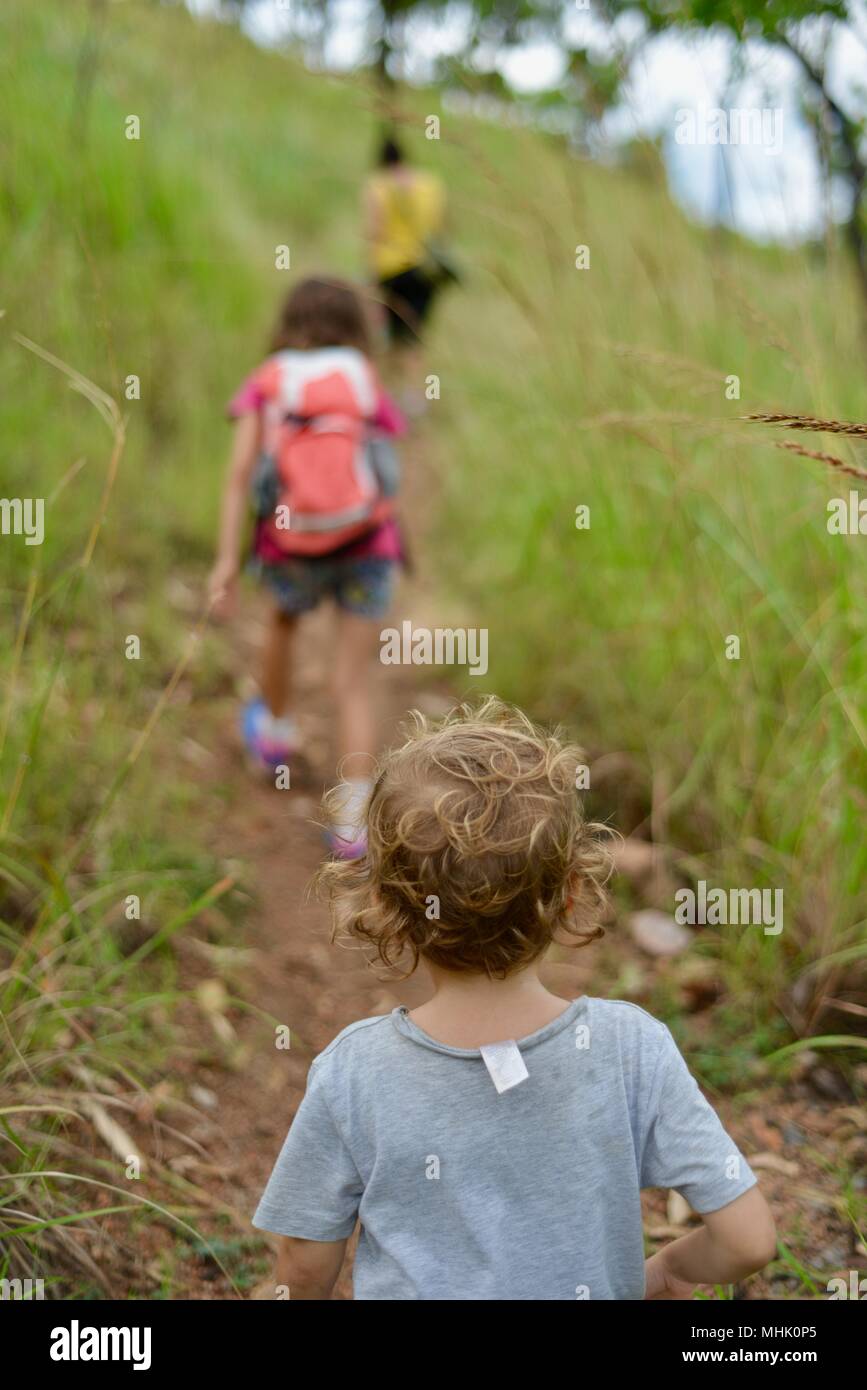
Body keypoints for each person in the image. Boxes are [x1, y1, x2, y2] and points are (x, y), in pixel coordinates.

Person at [252, 697, 777, 1300]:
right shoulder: (631, 1049)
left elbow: (303, 1269)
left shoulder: (355, 1073)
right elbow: (749, 1240)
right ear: (573, 896)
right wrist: (663, 1273)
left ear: (386, 909)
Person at [208, 276, 405, 859]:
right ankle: (352, 825)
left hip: (292, 545)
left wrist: (226, 560)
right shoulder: (363, 378)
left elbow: (239, 475)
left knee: (283, 625)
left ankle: (274, 736)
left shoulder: (269, 380)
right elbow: (388, 450)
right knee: (352, 681)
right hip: (366, 544)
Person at [364, 133, 447, 403]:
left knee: (387, 335)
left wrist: (371, 275)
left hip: (390, 269)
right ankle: (414, 397)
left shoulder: (377, 186)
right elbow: (439, 228)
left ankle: (385, 397)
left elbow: (374, 231)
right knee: (414, 336)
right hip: (424, 269)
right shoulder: (431, 184)